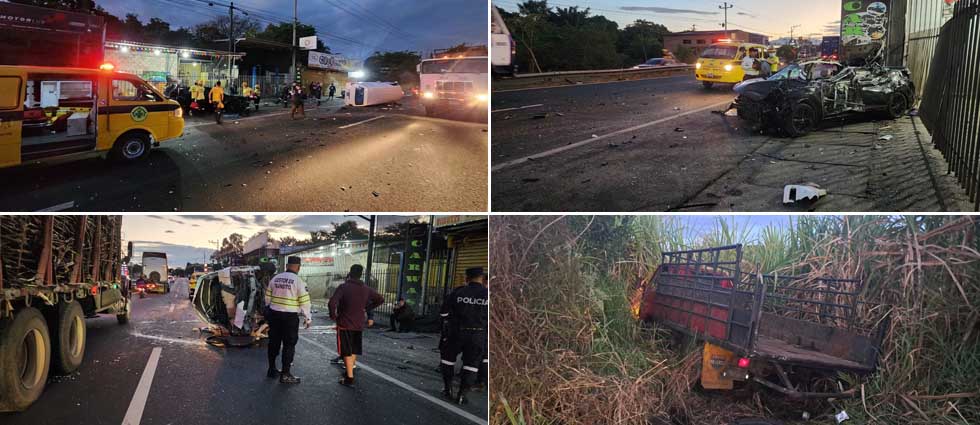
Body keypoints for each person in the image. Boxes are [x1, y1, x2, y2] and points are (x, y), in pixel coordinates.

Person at [439, 267, 489, 404]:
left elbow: (443, 313)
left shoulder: (458, 292)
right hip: (478, 334)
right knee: (471, 365)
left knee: (448, 360)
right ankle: (462, 395)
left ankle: (448, 389)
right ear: (482, 278)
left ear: (467, 278)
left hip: (456, 331)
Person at [328, 264, 384, 387]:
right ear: (361, 274)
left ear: (350, 272)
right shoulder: (366, 288)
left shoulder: (344, 287)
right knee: (353, 349)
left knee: (346, 350)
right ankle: (350, 371)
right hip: (359, 323)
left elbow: (332, 303)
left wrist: (334, 316)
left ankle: (349, 378)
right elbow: (380, 299)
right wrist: (367, 308)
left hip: (345, 323)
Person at [265, 256, 312, 384]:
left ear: (287, 265)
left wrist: (270, 310)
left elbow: (267, 298)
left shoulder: (275, 278)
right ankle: (285, 374)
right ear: (298, 267)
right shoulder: (299, 281)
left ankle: (272, 369)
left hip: (274, 314)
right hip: (290, 317)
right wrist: (308, 318)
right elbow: (305, 302)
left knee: (273, 342)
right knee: (289, 344)